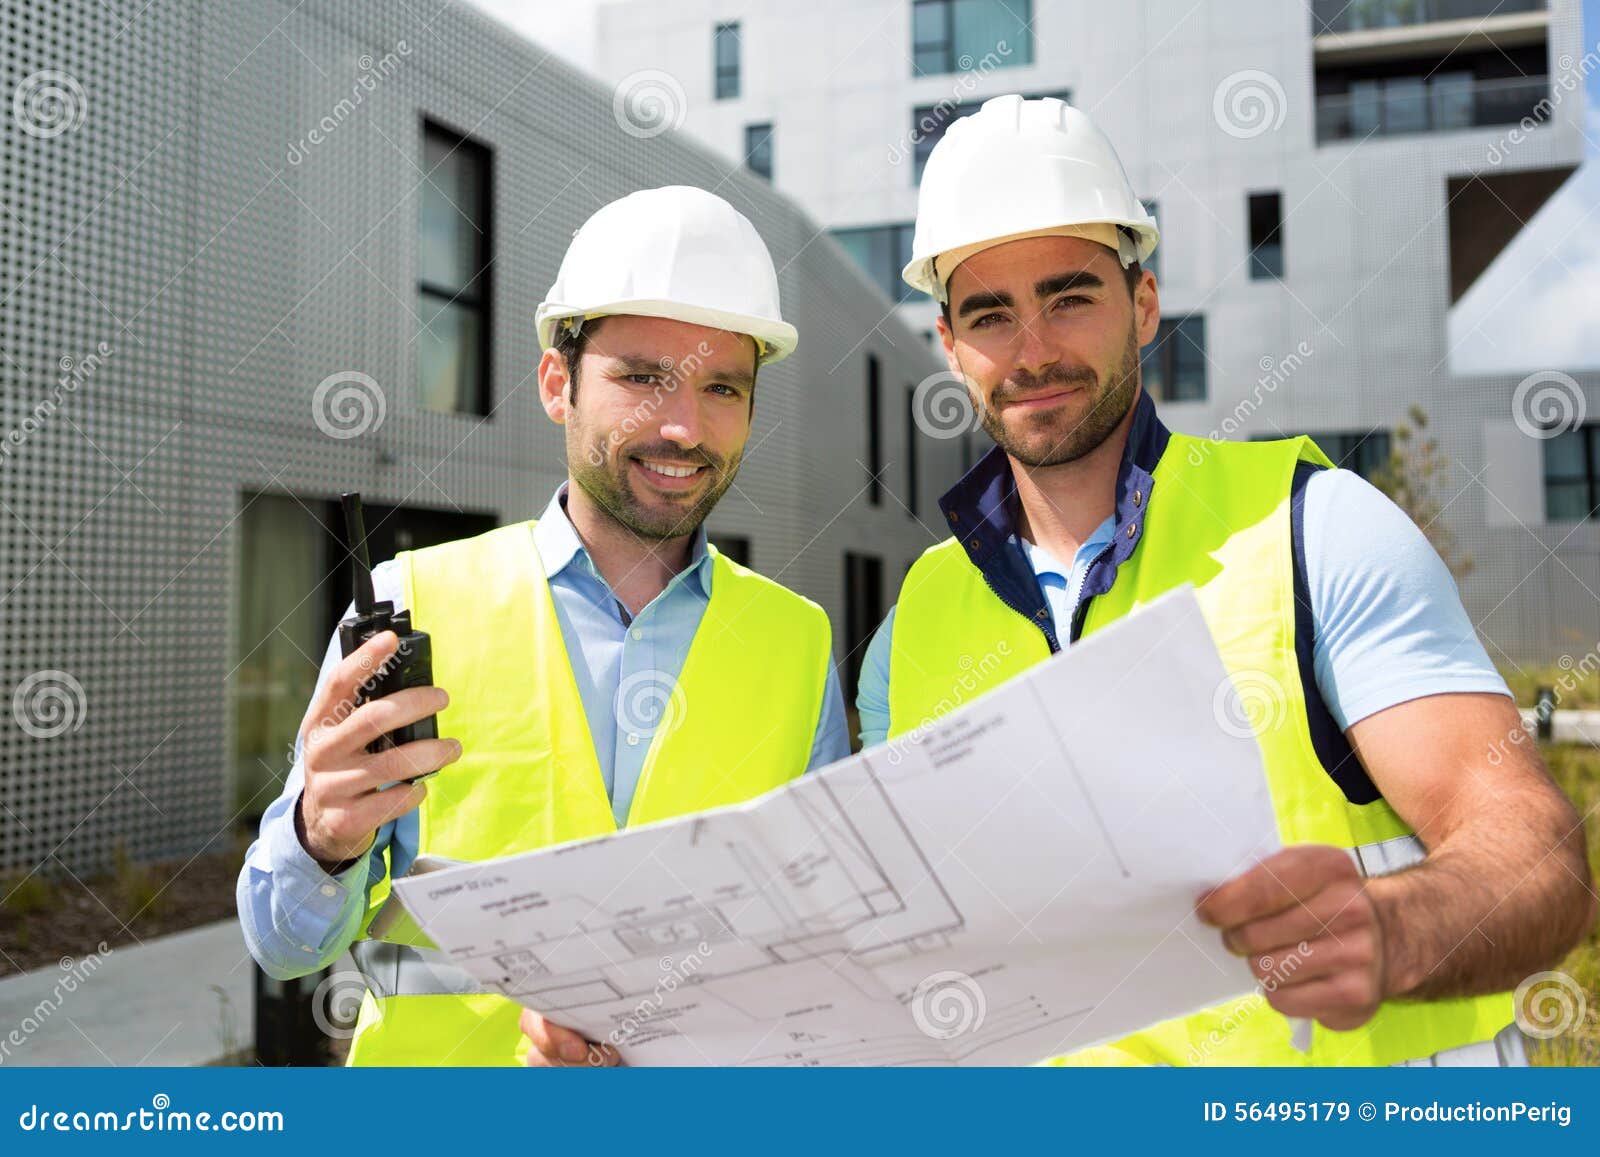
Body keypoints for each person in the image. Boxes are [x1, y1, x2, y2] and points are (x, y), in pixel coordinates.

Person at [856, 95, 1595, 1065]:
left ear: (1144, 306)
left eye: (1069, 298)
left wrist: (1395, 926)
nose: (1032, 351)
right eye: (990, 315)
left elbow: (1534, 853)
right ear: (950, 346)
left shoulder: (1314, 529)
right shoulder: (912, 626)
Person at [238, 186, 849, 1066]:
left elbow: (817, 955)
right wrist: (321, 840)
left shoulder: (798, 640)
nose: (684, 425)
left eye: (722, 386)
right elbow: (283, 943)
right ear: (558, 385)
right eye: (642, 377)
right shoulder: (411, 603)